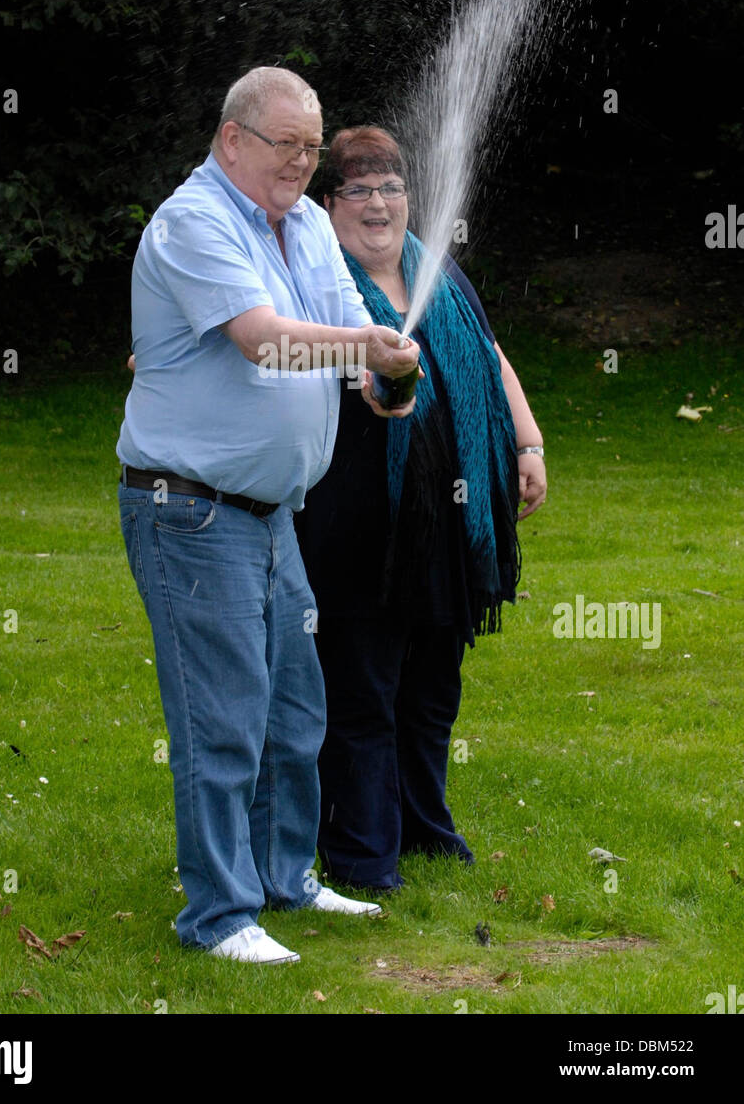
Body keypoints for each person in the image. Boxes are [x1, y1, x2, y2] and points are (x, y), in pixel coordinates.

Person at [116, 72, 421, 963]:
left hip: (273, 512)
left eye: (311, 147)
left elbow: (334, 335)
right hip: (189, 513)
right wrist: (363, 348)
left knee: (295, 711)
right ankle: (217, 916)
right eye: (283, 142)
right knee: (223, 721)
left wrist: (380, 377)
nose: (299, 161)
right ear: (231, 139)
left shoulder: (304, 228)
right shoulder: (193, 223)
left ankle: (285, 881)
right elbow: (265, 340)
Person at [293, 125, 546, 892]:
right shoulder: (314, 282)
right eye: (359, 190)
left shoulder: (438, 272)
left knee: (430, 693)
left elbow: (489, 355)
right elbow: (270, 355)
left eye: (392, 187)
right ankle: (362, 856)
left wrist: (527, 447)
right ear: (327, 204)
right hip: (353, 528)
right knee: (362, 692)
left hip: (445, 530)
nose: (379, 204)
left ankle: (425, 833)